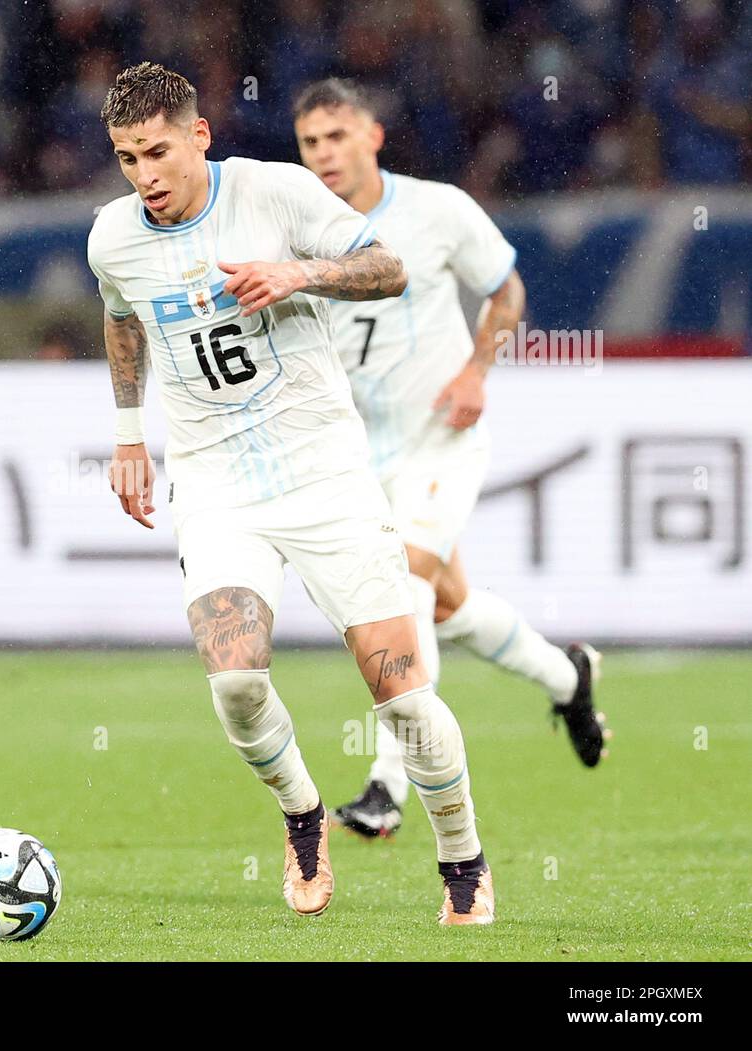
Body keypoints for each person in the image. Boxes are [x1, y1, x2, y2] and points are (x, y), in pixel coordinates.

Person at [88, 63, 494, 924]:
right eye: (126, 158)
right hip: (215, 481)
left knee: (403, 693)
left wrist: (298, 275)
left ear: (199, 135)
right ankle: (303, 815)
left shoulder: (276, 195)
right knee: (234, 680)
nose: (144, 176)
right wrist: (129, 434)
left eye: (157, 152)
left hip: (323, 471)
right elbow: (122, 313)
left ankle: (462, 856)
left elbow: (387, 267)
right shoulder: (113, 236)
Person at [292, 79, 609, 838]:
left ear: (373, 135)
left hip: (442, 438)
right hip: (361, 456)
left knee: (403, 583)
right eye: (309, 142)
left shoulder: (437, 210)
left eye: (337, 136)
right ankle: (570, 678)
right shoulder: (303, 228)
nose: (324, 153)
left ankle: (387, 786)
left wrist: (475, 372)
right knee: (446, 606)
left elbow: (507, 293)